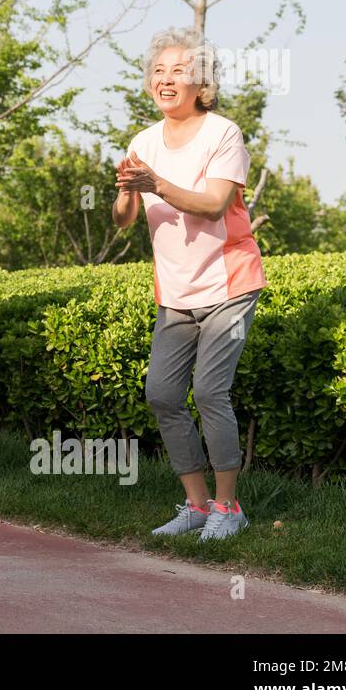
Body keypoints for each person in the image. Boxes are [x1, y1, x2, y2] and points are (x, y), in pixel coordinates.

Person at [113, 27, 266, 541]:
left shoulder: (223, 133)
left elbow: (215, 204)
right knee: (161, 393)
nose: (165, 78)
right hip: (175, 293)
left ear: (202, 85)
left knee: (209, 390)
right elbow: (123, 219)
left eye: (179, 71)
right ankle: (197, 505)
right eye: (158, 71)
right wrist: (127, 190)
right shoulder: (142, 141)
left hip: (229, 282)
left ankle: (230, 507)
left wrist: (156, 182)